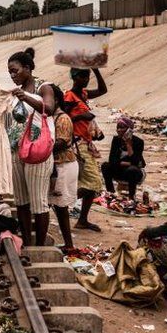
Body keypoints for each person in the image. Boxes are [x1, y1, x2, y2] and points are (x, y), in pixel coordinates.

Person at [7, 48, 55, 246]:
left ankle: (41, 246)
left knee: (38, 201)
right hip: (16, 151)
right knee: (21, 201)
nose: (12, 75)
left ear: (27, 68)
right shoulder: (13, 93)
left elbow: (49, 108)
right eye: (9, 72)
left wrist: (25, 97)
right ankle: (27, 242)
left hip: (37, 151)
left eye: (15, 71)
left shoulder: (44, 87)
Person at [65, 68, 106, 232]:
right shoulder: (69, 96)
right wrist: (81, 117)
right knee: (94, 182)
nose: (87, 79)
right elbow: (62, 118)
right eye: (84, 76)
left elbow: (103, 90)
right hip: (77, 144)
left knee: (90, 184)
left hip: (86, 143)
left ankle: (82, 219)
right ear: (75, 77)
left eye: (88, 76)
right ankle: (61, 202)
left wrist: (96, 70)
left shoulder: (83, 94)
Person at [49, 85, 77, 250]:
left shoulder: (63, 118)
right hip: (57, 165)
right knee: (57, 204)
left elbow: (62, 142)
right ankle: (68, 243)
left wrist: (39, 148)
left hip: (63, 164)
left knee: (60, 205)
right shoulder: (52, 116)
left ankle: (69, 244)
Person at [102, 116, 146, 200]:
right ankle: (111, 192)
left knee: (132, 170)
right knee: (105, 166)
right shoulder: (116, 140)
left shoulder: (138, 142)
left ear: (129, 129)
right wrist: (127, 163)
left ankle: (131, 197)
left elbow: (136, 161)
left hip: (135, 173)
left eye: (122, 128)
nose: (119, 130)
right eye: (118, 128)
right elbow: (111, 160)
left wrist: (128, 144)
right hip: (120, 170)